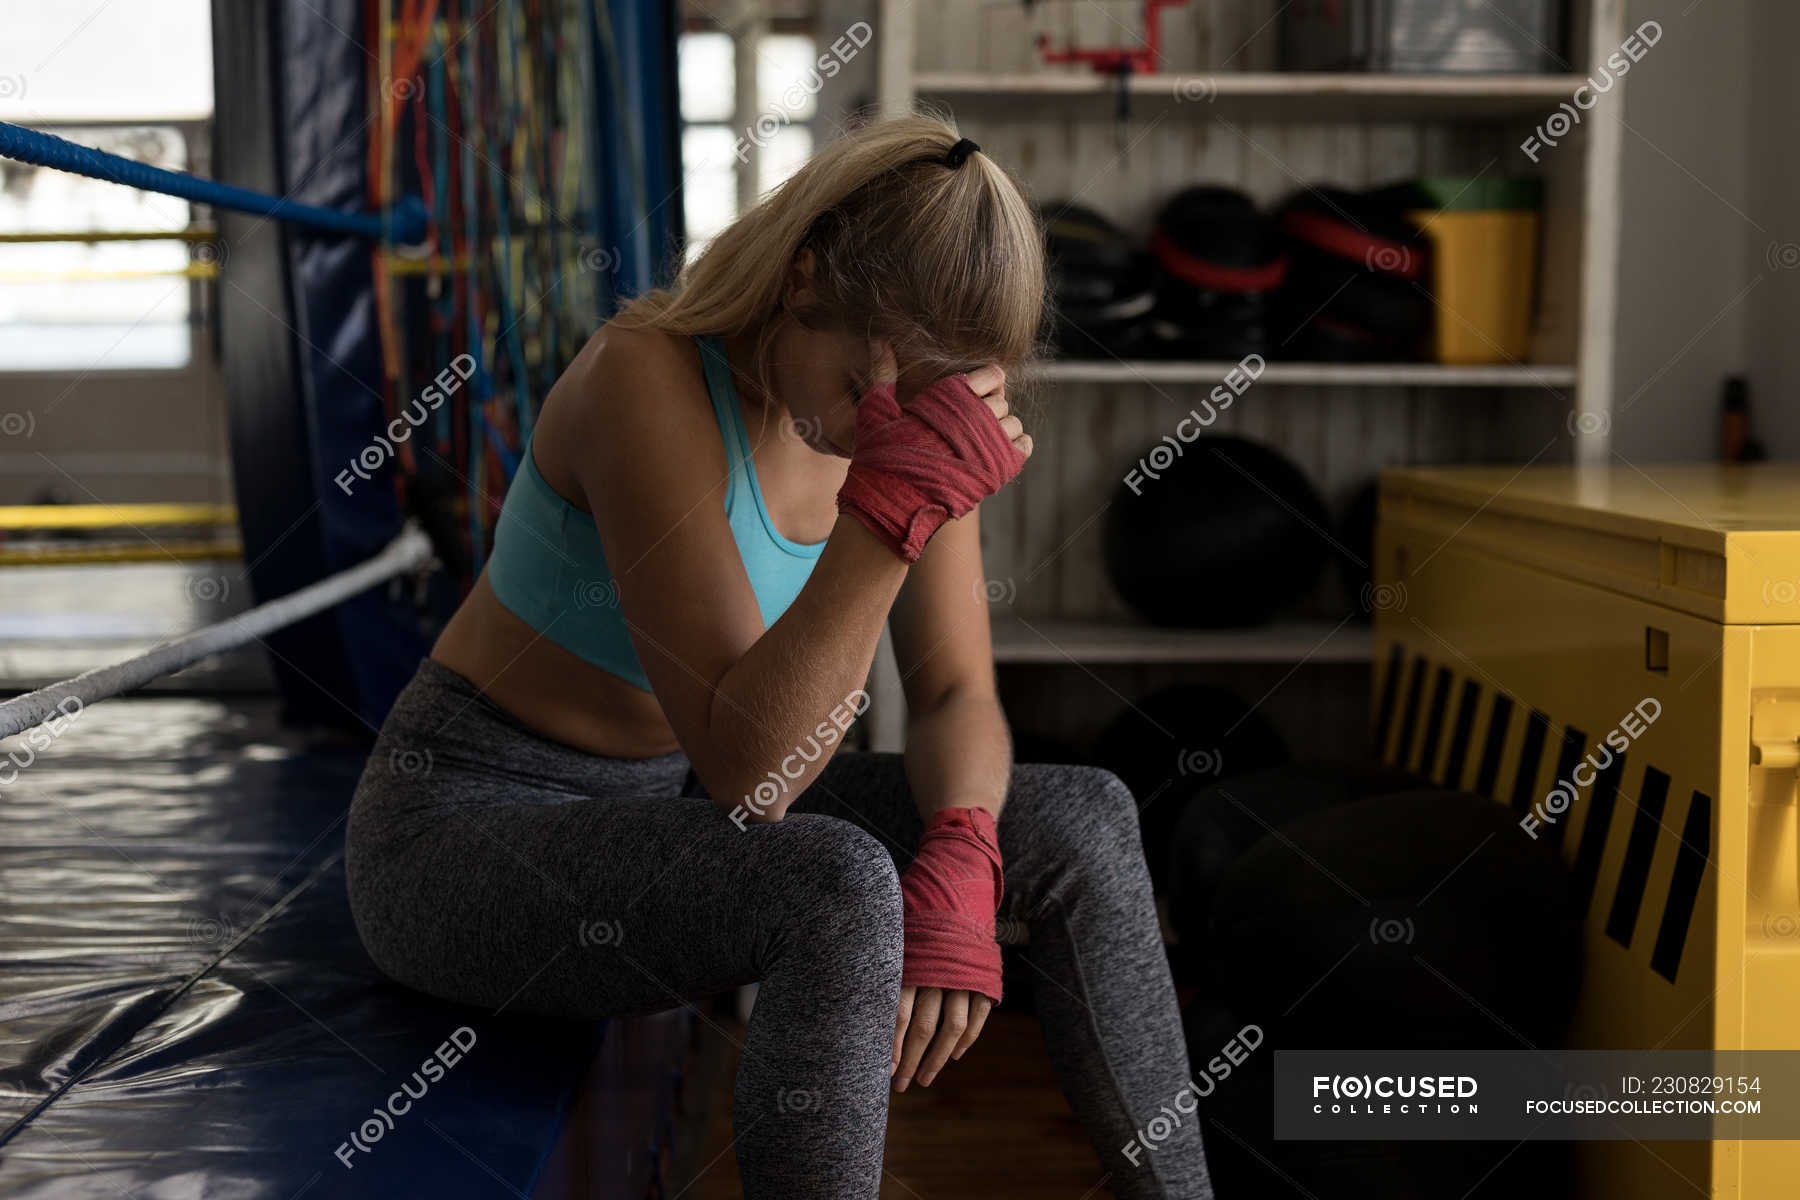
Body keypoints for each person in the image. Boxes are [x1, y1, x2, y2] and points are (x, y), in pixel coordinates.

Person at [345, 115, 1213, 1199]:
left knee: (1083, 812)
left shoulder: (913, 422)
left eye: (916, 410)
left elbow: (951, 691)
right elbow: (757, 777)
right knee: (835, 882)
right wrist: (892, 510)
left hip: (665, 808)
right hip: (470, 830)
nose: (869, 431)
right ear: (802, 283)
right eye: (862, 386)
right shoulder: (644, 378)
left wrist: (961, 848)